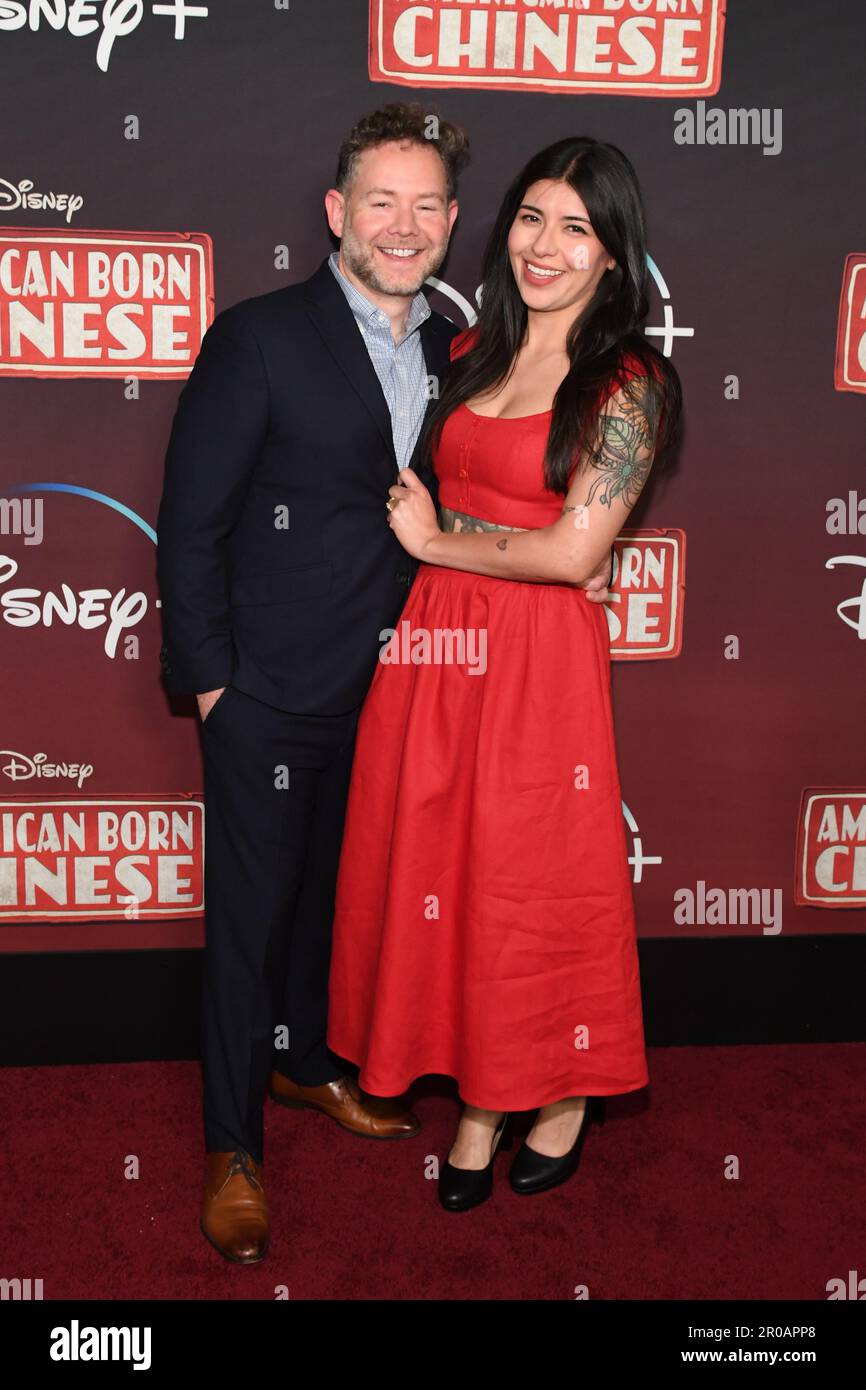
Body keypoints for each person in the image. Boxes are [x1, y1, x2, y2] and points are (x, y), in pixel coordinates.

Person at [156, 102, 618, 1263]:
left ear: (453, 223)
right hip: (265, 688)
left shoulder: (462, 354)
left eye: (425, 206)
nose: (402, 226)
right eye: (379, 202)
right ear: (336, 212)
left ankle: (307, 1064)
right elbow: (190, 525)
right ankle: (232, 1147)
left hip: (409, 693)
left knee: (334, 907)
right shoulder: (257, 336)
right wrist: (213, 684)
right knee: (247, 928)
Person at [327, 136, 683, 1211]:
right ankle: (481, 1091)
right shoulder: (473, 346)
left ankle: (542, 1097)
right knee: (442, 865)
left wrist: (437, 544)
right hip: (440, 645)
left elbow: (576, 552)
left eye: (576, 227)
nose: (545, 244)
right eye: (531, 217)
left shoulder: (630, 381)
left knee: (525, 880)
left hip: (534, 657)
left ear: (612, 256)